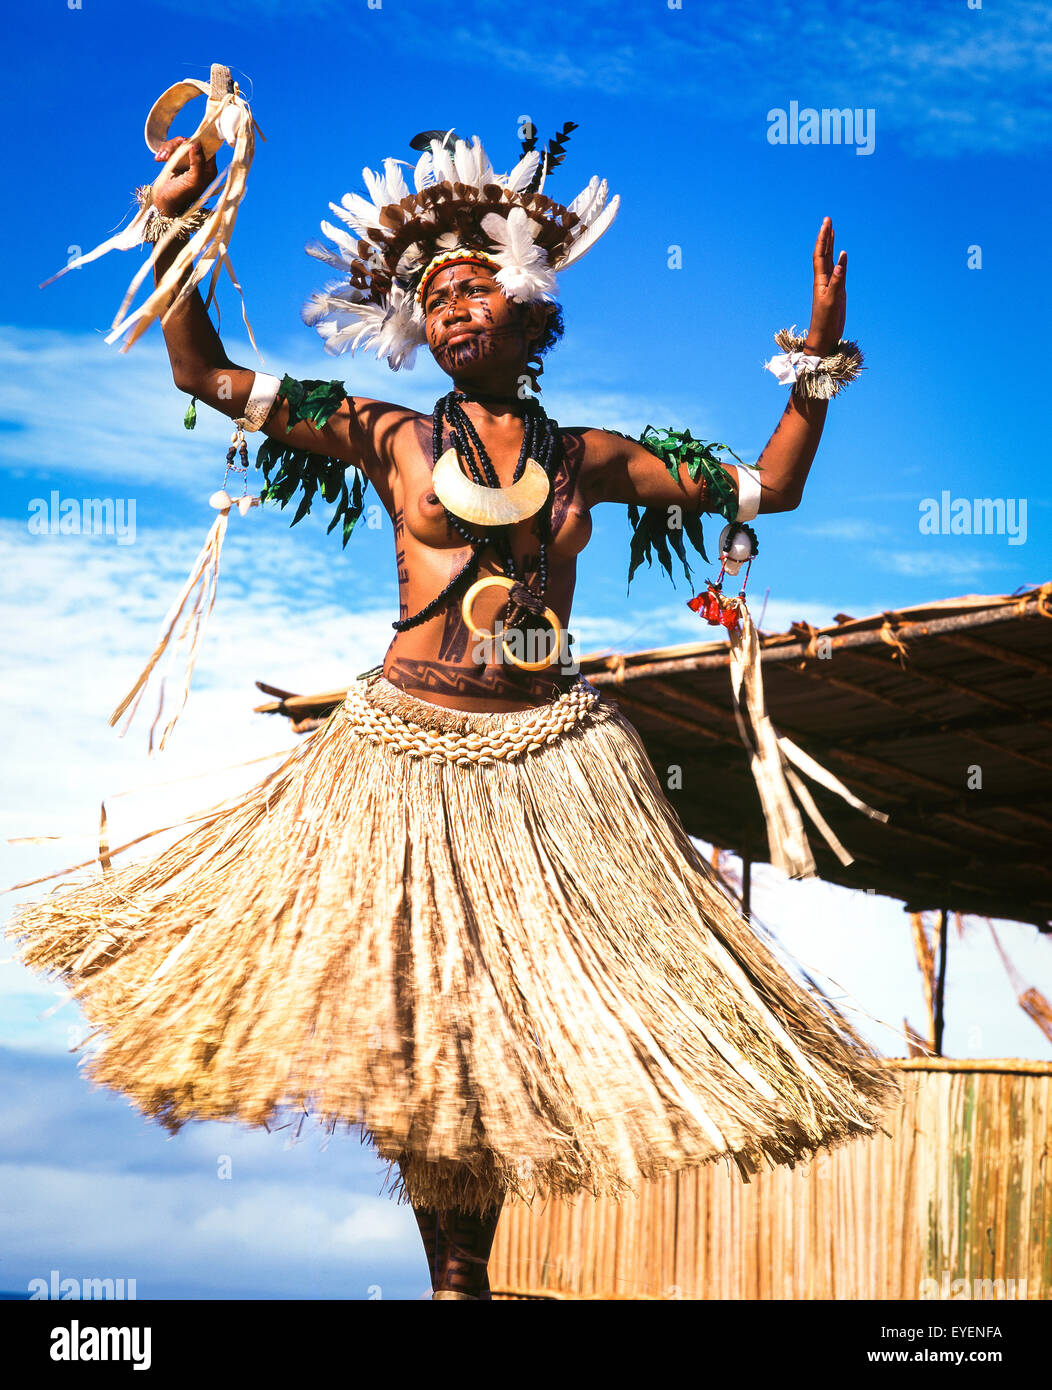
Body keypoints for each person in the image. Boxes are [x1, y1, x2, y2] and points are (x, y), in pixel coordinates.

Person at [7, 125, 894, 1301]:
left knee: (504, 1035)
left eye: (475, 287)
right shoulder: (385, 434)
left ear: (531, 308)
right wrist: (178, 223)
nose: (450, 311)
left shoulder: (592, 457)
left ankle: (465, 1273)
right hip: (404, 756)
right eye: (431, 300)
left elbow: (767, 487)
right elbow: (204, 375)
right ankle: (452, 1282)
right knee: (426, 1028)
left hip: (549, 768)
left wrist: (816, 360)